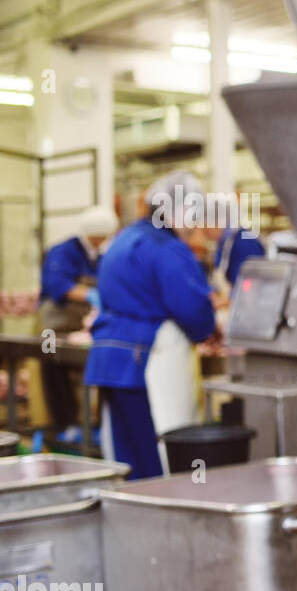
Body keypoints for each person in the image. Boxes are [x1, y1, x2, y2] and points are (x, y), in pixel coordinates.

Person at [85, 171, 218, 479]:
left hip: (111, 361)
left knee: (126, 458)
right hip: (147, 362)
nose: (194, 226)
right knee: (160, 458)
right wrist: (207, 327)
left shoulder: (123, 240)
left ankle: (132, 520)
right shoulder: (166, 248)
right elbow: (194, 311)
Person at [37, 205, 118, 444]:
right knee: (54, 368)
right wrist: (91, 295)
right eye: (96, 236)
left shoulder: (104, 255)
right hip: (56, 327)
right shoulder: (63, 251)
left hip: (88, 329)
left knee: (101, 373)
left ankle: (98, 427)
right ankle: (63, 427)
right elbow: (57, 285)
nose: (99, 240)